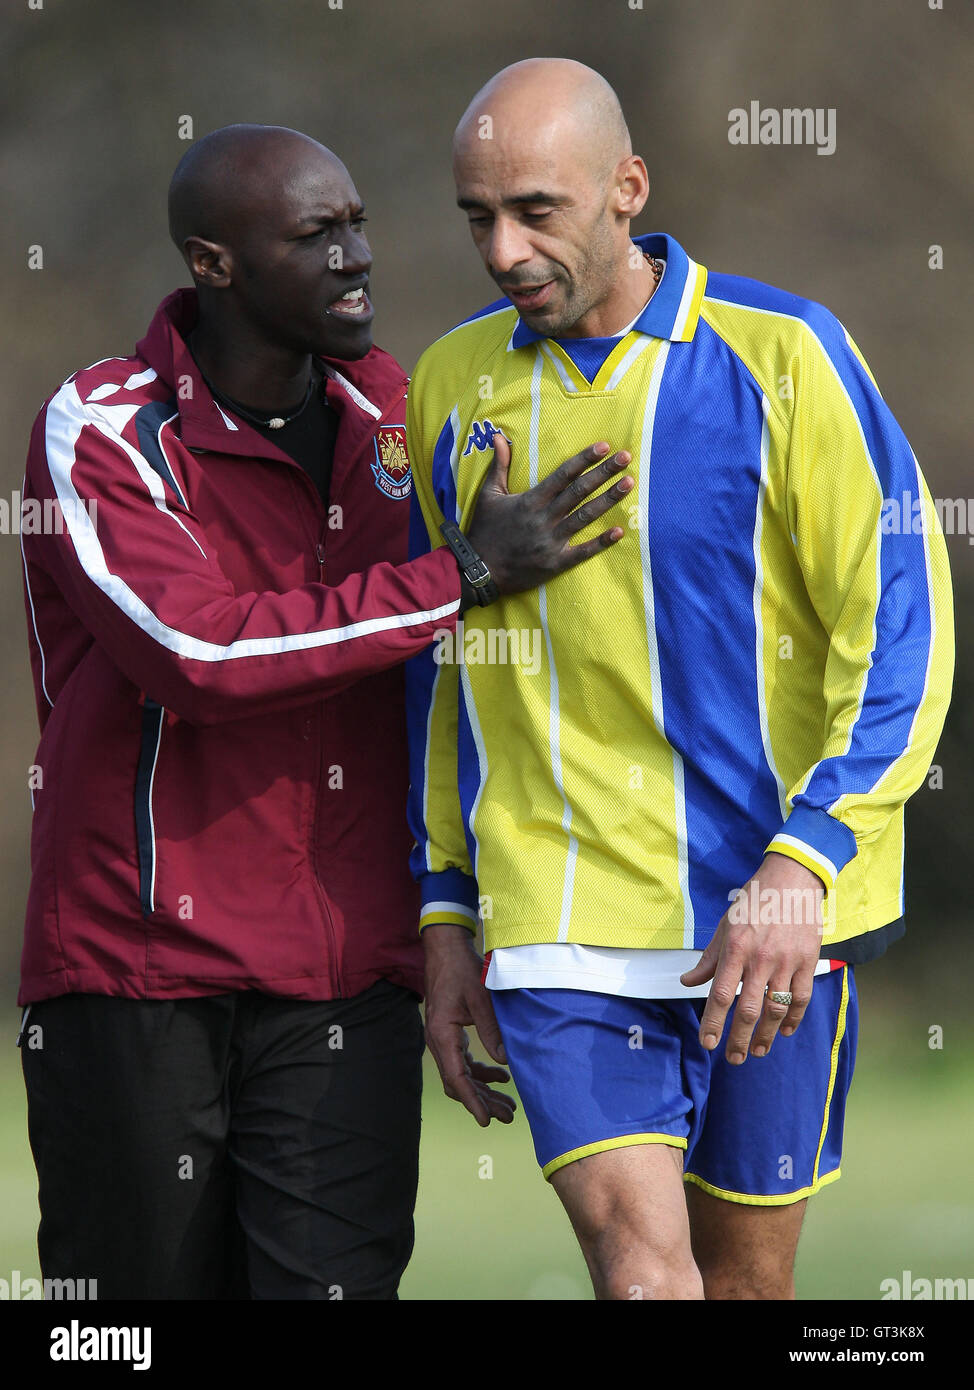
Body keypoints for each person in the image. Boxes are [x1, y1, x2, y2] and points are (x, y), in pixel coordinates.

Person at [17, 122, 635, 1300]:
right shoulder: (101, 424)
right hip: (136, 970)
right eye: (315, 236)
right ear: (215, 263)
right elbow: (193, 651)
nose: (358, 257)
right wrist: (460, 574)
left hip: (345, 976)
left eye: (357, 224)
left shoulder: (406, 414)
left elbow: (489, 672)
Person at [407, 60, 955, 1300]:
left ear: (625, 190)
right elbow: (434, 673)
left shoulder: (785, 356)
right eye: (474, 217)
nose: (500, 249)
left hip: (763, 911)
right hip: (554, 918)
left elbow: (901, 637)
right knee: (642, 1276)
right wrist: (445, 913)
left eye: (535, 210)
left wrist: (799, 859)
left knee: (745, 1286)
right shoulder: (448, 387)